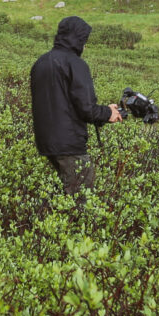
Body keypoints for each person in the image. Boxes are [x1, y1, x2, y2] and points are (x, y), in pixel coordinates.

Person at [29, 14, 123, 195]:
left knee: (61, 195)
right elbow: (87, 109)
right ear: (78, 39)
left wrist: (104, 111)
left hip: (46, 143)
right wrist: (108, 113)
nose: (85, 45)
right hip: (70, 144)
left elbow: (58, 102)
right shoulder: (75, 64)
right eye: (84, 40)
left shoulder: (40, 63)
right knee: (81, 200)